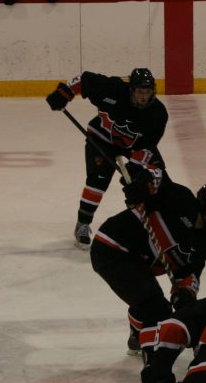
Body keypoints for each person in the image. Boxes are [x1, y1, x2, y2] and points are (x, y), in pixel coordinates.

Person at [90, 164, 206, 355]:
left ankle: (137, 332)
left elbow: (190, 273)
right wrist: (141, 181)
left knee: (147, 298)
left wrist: (185, 293)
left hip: (138, 261)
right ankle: (152, 361)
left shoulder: (204, 243)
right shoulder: (183, 199)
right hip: (112, 248)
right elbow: (160, 178)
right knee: (156, 308)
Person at [45, 68, 169, 248]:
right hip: (101, 138)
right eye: (140, 92)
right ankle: (83, 223)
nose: (143, 97)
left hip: (134, 146)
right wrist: (63, 93)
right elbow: (84, 79)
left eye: (147, 92)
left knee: (155, 176)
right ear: (131, 89)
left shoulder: (157, 113)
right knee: (98, 180)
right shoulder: (112, 89)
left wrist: (135, 170)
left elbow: (148, 145)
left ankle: (160, 220)